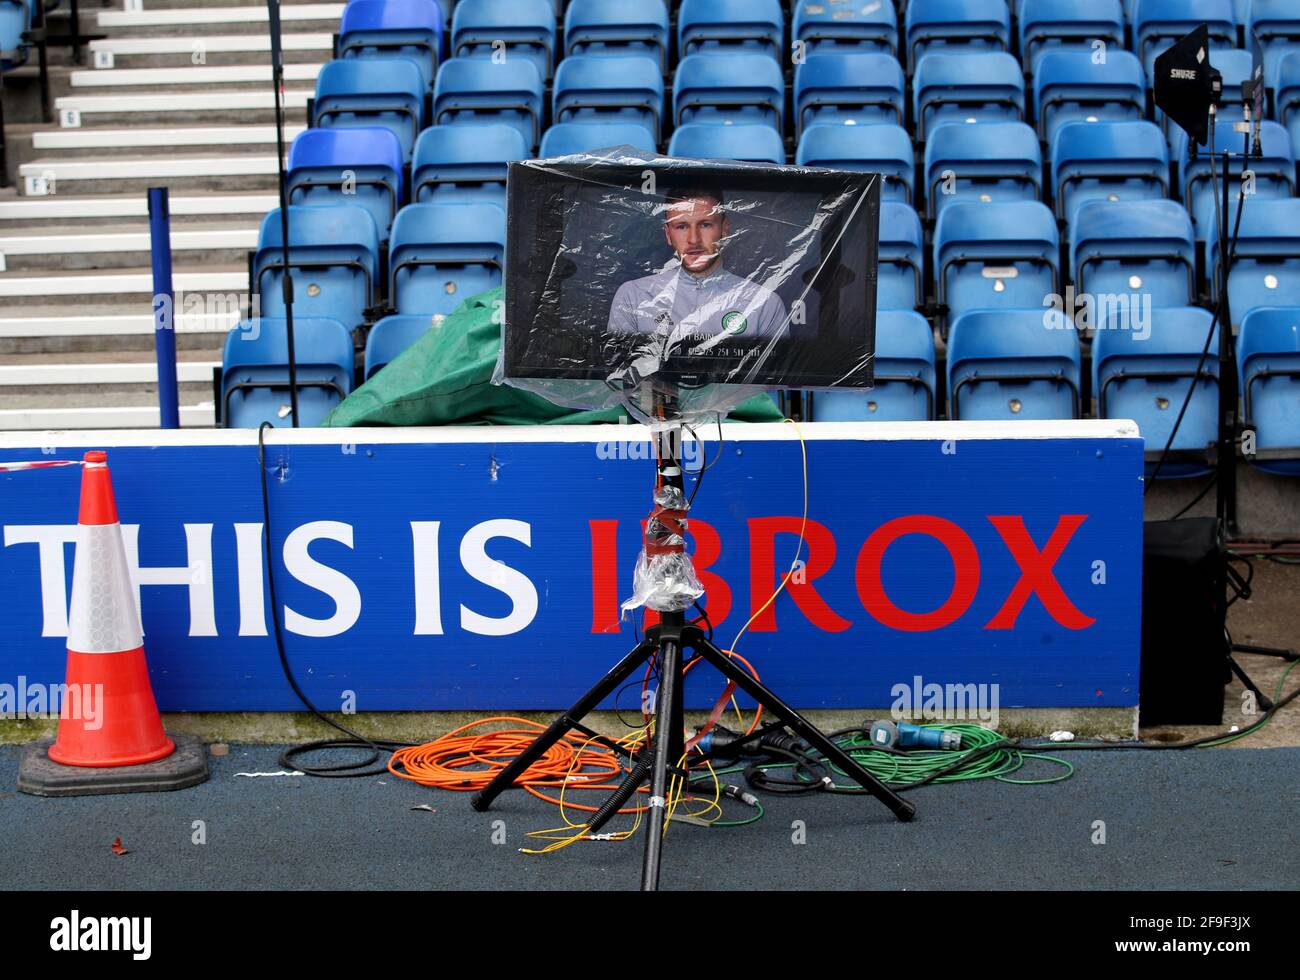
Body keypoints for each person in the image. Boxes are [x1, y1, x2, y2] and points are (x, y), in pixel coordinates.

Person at [605, 188, 789, 382]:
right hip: (652, 411)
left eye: (705, 224)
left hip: (733, 413)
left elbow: (772, 384)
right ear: (668, 234)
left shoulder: (764, 303)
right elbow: (620, 379)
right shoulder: (633, 296)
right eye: (681, 226)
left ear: (724, 228)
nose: (694, 239)